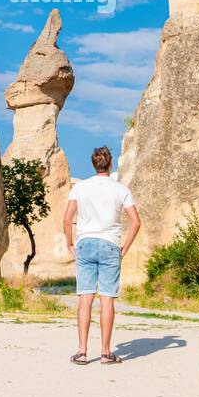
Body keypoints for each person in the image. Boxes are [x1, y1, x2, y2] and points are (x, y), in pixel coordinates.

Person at [63, 145, 140, 364]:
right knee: (107, 299)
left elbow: (67, 219)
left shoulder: (81, 188)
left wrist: (70, 243)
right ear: (110, 163)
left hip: (85, 243)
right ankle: (106, 353)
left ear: (93, 164)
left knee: (85, 298)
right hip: (110, 245)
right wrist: (124, 248)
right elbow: (136, 221)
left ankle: (82, 352)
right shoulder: (120, 189)